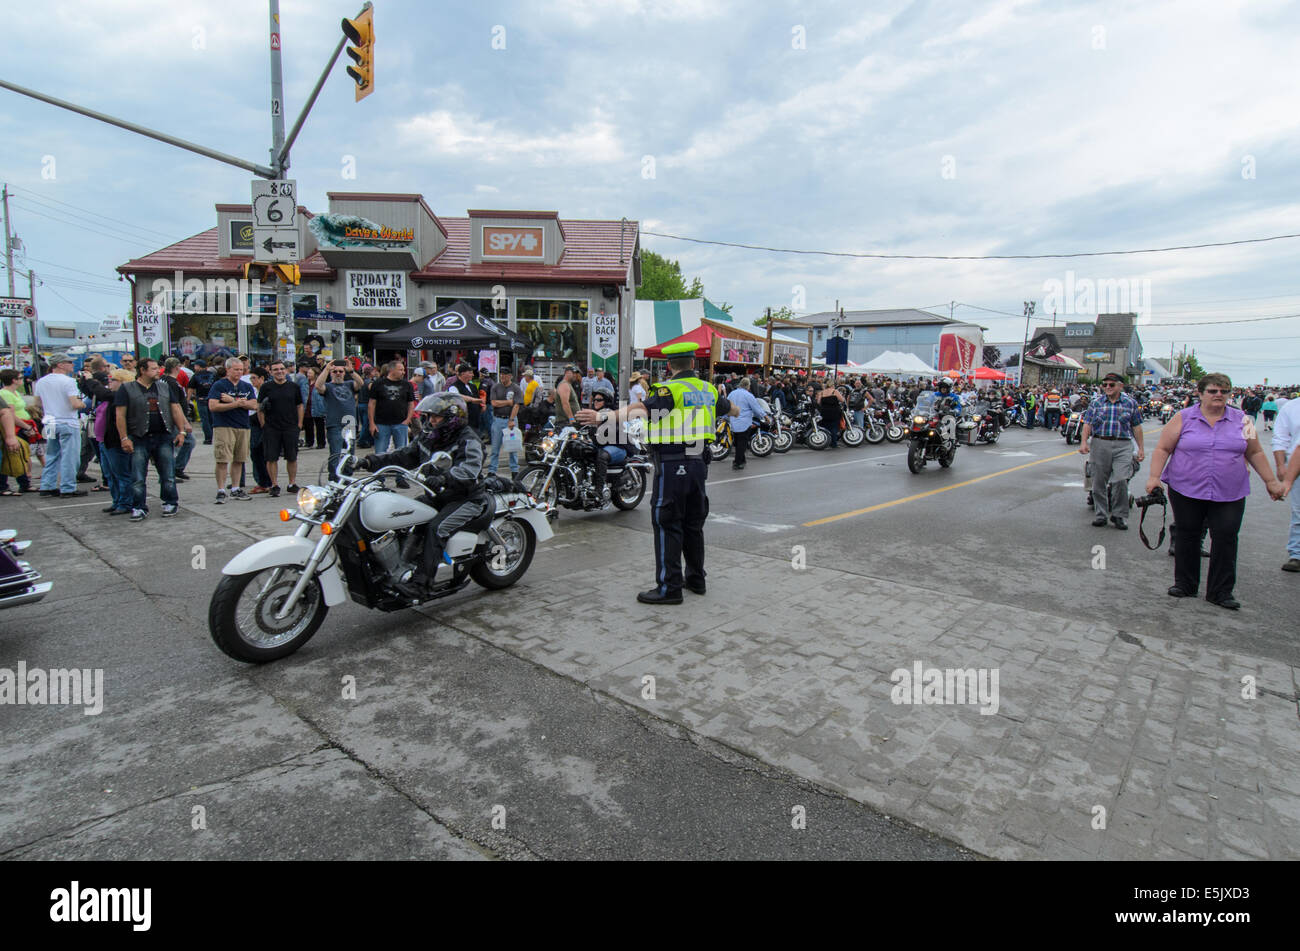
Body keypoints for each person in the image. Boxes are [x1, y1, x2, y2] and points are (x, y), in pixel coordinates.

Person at [578, 341, 736, 605]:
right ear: (693, 364)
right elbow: (729, 408)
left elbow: (640, 410)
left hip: (674, 463)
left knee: (667, 522)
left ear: (670, 366)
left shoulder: (668, 388)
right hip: (699, 464)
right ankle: (696, 579)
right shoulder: (707, 388)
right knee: (693, 524)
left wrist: (601, 418)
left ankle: (669, 588)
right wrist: (738, 410)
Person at [1145, 373, 1285, 609]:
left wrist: (1270, 481)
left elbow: (1255, 452)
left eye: (1224, 391)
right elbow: (1163, 449)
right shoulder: (1183, 418)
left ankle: (1220, 592)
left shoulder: (1243, 420)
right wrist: (1154, 477)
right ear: (1200, 393)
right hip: (1186, 487)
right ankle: (1185, 584)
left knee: (1226, 536)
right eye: (1213, 391)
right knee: (1188, 534)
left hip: (1229, 490)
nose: (1219, 395)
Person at [354, 392, 487, 597]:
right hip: (437, 496)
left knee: (436, 528)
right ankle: (402, 566)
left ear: (453, 418)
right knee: (404, 518)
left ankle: (421, 584)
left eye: (436, 417)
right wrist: (369, 462)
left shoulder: (469, 439)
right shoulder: (429, 435)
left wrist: (444, 478)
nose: (431, 421)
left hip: (465, 497)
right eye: (428, 416)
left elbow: (469, 471)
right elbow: (404, 456)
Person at [115, 357, 188, 520]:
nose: (158, 371)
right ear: (143, 370)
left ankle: (170, 502)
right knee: (138, 477)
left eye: (158, 369)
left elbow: (175, 409)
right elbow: (120, 415)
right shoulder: (127, 388)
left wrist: (181, 431)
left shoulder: (164, 387)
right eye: (154, 369)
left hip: (163, 436)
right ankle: (139, 507)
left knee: (168, 474)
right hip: (139, 437)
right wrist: (124, 438)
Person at [1079, 373, 1145, 530]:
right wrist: (1083, 442)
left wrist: (1141, 448)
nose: (1107, 387)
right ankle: (1100, 514)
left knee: (1121, 479)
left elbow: (1136, 426)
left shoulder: (1130, 403)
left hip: (1123, 445)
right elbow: (1087, 424)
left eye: (1111, 384)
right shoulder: (1096, 403)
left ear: (1120, 386)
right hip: (1100, 443)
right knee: (1098, 482)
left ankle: (1119, 515)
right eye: (1105, 384)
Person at [33, 352, 88, 498]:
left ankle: (47, 485)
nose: (72, 364)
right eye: (69, 362)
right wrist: (84, 404)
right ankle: (68, 487)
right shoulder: (68, 381)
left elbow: (37, 403)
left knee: (52, 454)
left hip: (50, 421)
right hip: (67, 421)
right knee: (70, 456)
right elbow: (75, 403)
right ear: (60, 365)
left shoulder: (42, 381)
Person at [208, 356, 258, 503]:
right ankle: (221, 490)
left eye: (241, 370)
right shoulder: (219, 385)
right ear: (228, 369)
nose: (239, 372)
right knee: (222, 459)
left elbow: (254, 405)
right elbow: (213, 406)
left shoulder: (246, 386)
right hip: (224, 426)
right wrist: (238, 404)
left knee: (239, 459)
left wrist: (234, 401)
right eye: (236, 369)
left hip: (243, 426)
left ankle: (236, 488)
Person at [260, 360, 304, 498]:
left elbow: (299, 405)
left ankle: (292, 484)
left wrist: (299, 424)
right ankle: (274, 485)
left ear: (285, 370)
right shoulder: (266, 387)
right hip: (272, 427)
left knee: (292, 456)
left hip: (290, 426)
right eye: (275, 369)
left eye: (281, 369)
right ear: (271, 372)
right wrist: (263, 424)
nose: (279, 371)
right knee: (271, 457)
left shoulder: (293, 387)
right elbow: (259, 407)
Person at [368, 361, 415, 489]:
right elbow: (372, 403)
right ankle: (379, 479)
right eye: (400, 369)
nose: (403, 372)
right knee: (380, 451)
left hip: (400, 423)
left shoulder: (407, 385)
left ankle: (401, 478)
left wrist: (408, 419)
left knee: (402, 452)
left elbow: (411, 403)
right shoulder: (378, 383)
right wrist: (372, 423)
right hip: (382, 423)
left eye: (403, 369)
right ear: (392, 370)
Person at [316, 359, 363, 482]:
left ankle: (347, 477)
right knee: (335, 453)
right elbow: (318, 386)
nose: (338, 373)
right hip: (334, 424)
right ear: (331, 373)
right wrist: (326, 369)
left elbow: (360, 383)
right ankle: (334, 478)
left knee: (349, 453)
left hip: (350, 423)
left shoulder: (349, 384)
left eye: (340, 371)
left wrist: (351, 370)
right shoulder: (328, 386)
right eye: (335, 371)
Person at [1272, 388, 1300, 572]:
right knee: (1299, 512)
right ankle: (1296, 554)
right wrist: (1282, 467)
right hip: (1296, 466)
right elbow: (1281, 439)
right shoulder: (1291, 408)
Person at [162, 358, 197, 481]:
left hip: (173, 418)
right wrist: (185, 423)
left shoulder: (165, 380)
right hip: (175, 419)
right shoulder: (172, 383)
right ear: (177, 367)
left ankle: (174, 469)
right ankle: (171, 471)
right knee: (182, 444)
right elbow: (175, 405)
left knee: (182, 444)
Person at [487, 367, 524, 477]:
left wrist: (511, 419)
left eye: (505, 374)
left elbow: (516, 405)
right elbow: (494, 403)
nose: (503, 376)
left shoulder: (516, 388)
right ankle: (492, 470)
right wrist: (508, 402)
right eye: (501, 374)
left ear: (510, 376)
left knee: (513, 446)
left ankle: (514, 470)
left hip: (511, 419)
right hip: (498, 419)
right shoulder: (495, 387)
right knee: (495, 447)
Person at [726, 375, 768, 471]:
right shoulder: (748, 395)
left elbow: (727, 404)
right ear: (748, 386)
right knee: (742, 444)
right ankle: (738, 462)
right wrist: (765, 416)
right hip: (744, 423)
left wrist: (725, 416)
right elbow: (756, 408)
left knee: (737, 443)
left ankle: (742, 459)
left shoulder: (732, 393)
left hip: (733, 422)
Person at [190, 360, 217, 444]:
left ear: (199, 366)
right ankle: (214, 436)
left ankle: (208, 438)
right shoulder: (212, 374)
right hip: (212, 399)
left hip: (201, 399)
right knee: (212, 418)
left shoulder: (196, 375)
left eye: (195, 366)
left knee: (204, 419)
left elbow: (190, 388)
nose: (194, 368)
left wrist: (188, 399)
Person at [551, 365, 582, 430]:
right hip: (565, 422)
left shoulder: (568, 384)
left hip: (568, 422)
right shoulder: (564, 385)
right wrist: (571, 418)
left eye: (575, 373)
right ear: (566, 372)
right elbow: (565, 403)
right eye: (573, 373)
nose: (575, 375)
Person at [818, 378, 846, 448]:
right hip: (834, 411)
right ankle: (833, 443)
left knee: (825, 427)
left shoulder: (821, 392)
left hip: (824, 412)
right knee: (834, 427)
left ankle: (826, 441)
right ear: (832, 385)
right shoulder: (835, 391)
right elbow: (842, 400)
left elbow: (818, 402)